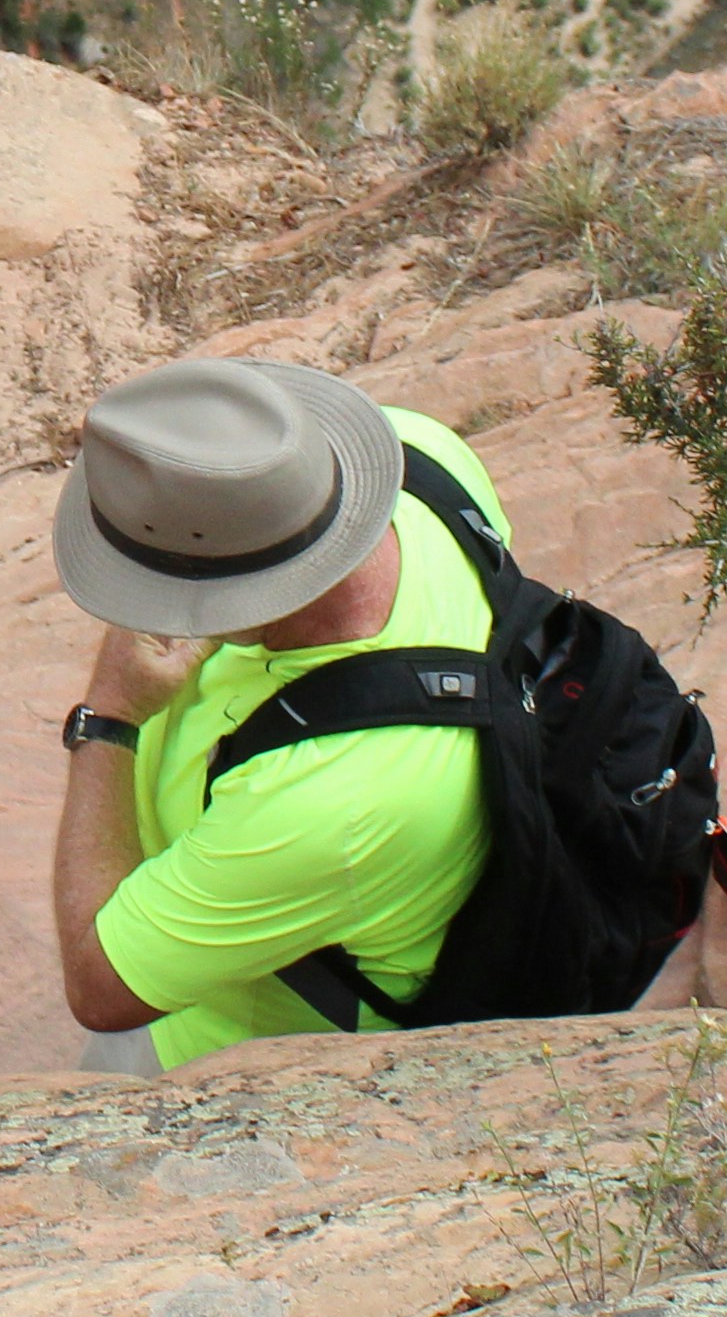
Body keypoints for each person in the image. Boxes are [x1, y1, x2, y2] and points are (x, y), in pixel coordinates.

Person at [42, 355, 510, 1066]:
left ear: (233, 599)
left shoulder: (328, 805)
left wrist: (109, 719)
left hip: (241, 1049)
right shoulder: (424, 455)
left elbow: (101, 988)